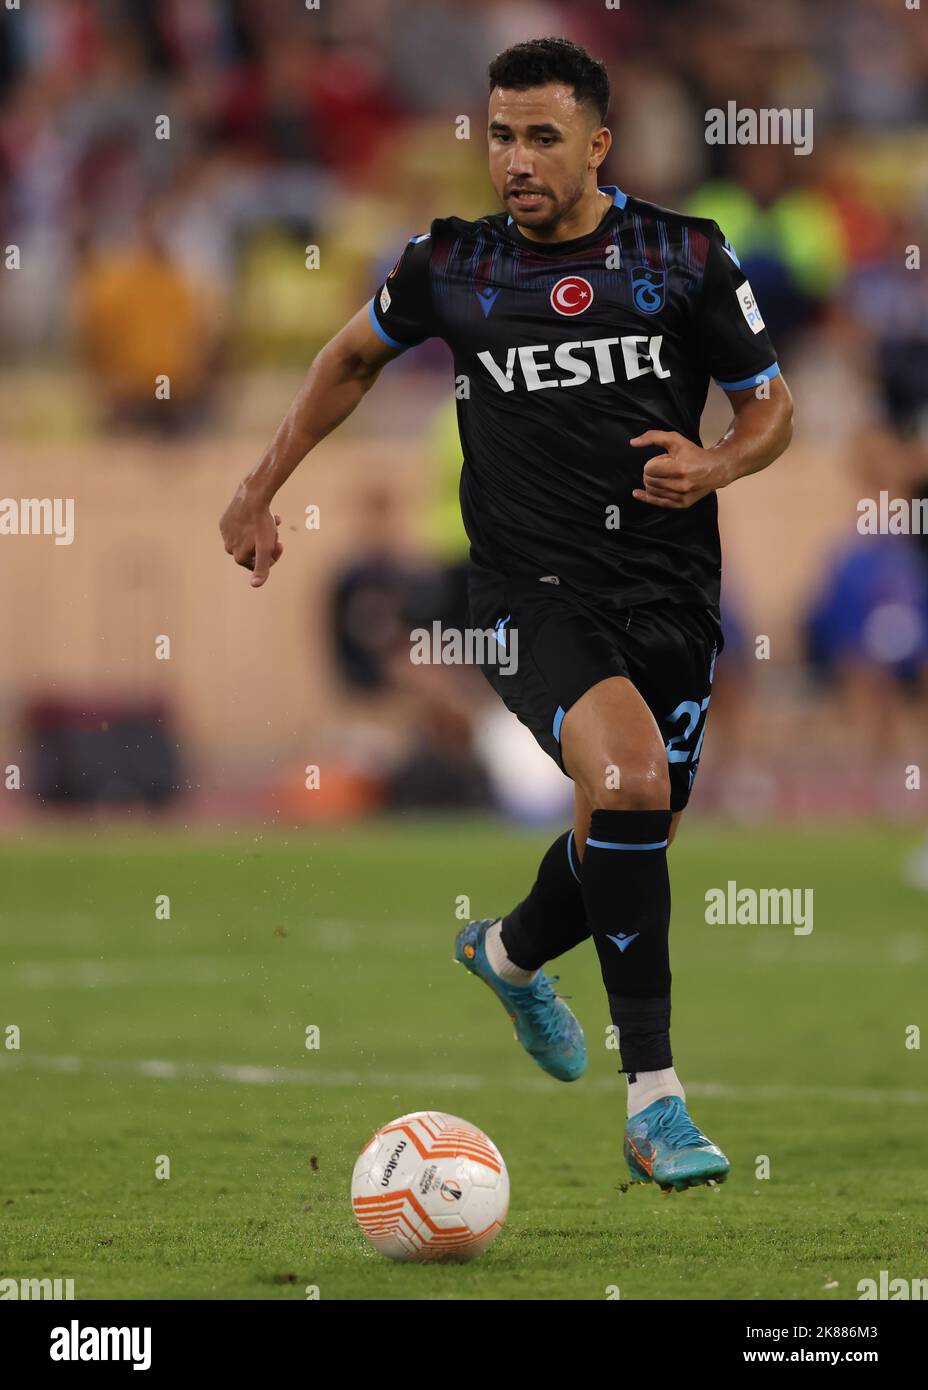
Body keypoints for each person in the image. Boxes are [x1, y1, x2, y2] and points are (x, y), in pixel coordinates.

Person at [219, 37, 793, 1195]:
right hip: (525, 593)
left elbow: (772, 407)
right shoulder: (452, 265)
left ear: (597, 143)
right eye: (497, 136)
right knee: (629, 784)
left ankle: (509, 951)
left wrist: (718, 465)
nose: (515, 160)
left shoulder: (683, 256)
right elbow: (345, 361)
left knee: (629, 832)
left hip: (672, 597)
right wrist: (260, 484)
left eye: (540, 137)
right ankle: (657, 1104)